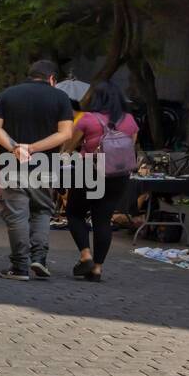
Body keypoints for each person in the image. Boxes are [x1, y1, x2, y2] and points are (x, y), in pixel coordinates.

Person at [0, 59, 75, 280]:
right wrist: (33, 148)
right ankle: (39, 259)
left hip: (11, 163)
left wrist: (15, 147)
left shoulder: (8, 94)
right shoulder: (61, 97)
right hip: (45, 163)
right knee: (42, 211)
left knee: (16, 215)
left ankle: (19, 267)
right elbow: (66, 134)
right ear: (52, 79)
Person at [63, 81, 139, 282]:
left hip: (90, 170)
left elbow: (68, 147)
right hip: (118, 176)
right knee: (103, 219)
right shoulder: (130, 120)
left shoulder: (87, 119)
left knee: (74, 213)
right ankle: (97, 269)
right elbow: (130, 147)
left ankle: (85, 255)